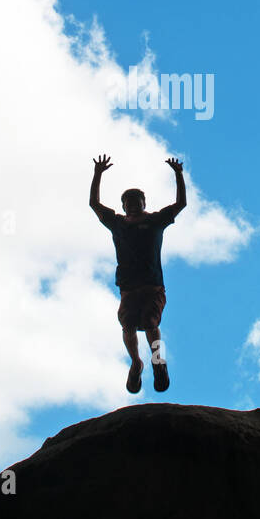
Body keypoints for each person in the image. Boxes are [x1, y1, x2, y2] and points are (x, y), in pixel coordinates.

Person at [90, 153, 186, 394]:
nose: (133, 205)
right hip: (129, 289)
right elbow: (94, 204)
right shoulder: (118, 223)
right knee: (128, 325)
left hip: (152, 287)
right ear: (123, 206)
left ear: (144, 203)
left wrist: (178, 175)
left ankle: (158, 362)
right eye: (128, 202)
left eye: (137, 201)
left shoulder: (155, 221)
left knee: (151, 322)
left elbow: (180, 204)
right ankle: (136, 363)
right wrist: (98, 174)